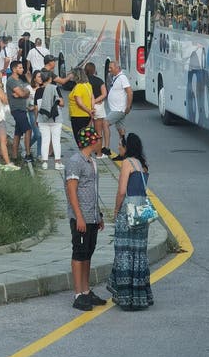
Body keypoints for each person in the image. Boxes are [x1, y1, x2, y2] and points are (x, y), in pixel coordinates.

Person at [107, 133, 154, 311]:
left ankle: (126, 296)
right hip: (142, 210)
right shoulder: (143, 165)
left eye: (120, 145)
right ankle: (141, 295)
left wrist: (116, 209)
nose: (118, 147)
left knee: (124, 251)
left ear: (127, 147)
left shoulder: (127, 163)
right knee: (139, 252)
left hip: (128, 209)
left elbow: (121, 191)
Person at [64, 126, 107, 311]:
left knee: (88, 253)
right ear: (91, 141)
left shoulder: (92, 161)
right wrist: (79, 217)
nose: (100, 141)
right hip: (80, 217)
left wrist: (99, 215)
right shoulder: (76, 161)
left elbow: (93, 190)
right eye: (98, 138)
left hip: (92, 216)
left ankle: (87, 290)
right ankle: (78, 294)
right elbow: (71, 190)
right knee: (79, 253)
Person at [102, 61, 133, 158]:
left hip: (119, 109)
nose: (109, 70)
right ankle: (123, 153)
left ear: (117, 68)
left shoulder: (122, 78)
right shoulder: (116, 77)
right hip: (116, 108)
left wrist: (128, 106)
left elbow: (129, 92)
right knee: (121, 132)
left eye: (111, 68)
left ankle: (106, 148)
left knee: (105, 123)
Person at [35, 69, 65, 170]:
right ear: (50, 79)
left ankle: (44, 163)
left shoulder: (38, 91)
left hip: (42, 118)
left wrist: (36, 119)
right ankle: (57, 163)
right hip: (55, 118)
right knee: (56, 140)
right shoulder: (55, 88)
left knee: (45, 140)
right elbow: (61, 103)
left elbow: (36, 107)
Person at [6, 60, 33, 162]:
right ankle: (28, 154)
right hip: (16, 109)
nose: (22, 69)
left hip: (22, 108)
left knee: (18, 133)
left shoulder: (20, 80)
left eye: (22, 68)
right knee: (28, 129)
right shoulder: (11, 80)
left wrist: (24, 92)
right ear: (14, 69)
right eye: (20, 68)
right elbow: (22, 94)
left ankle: (14, 156)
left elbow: (29, 89)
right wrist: (23, 93)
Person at [85, 62, 108, 154]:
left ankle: (88, 152)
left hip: (87, 108)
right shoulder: (99, 81)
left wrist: (91, 102)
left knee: (88, 131)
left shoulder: (84, 82)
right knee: (99, 133)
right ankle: (99, 153)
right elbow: (104, 94)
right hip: (98, 107)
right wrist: (96, 100)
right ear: (94, 70)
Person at [68, 67, 94, 146]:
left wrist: (89, 111)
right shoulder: (88, 85)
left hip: (78, 116)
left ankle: (85, 157)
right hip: (87, 115)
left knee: (79, 138)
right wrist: (91, 110)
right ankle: (88, 156)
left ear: (76, 75)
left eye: (72, 74)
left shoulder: (78, 87)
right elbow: (92, 98)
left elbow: (79, 103)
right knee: (86, 137)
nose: (70, 75)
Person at [27, 69, 43, 160]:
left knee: (40, 134)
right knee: (38, 134)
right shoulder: (29, 88)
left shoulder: (43, 88)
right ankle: (29, 148)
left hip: (41, 113)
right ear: (34, 78)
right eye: (39, 77)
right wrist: (30, 107)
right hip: (33, 113)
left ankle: (38, 153)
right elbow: (25, 102)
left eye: (41, 77)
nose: (41, 79)